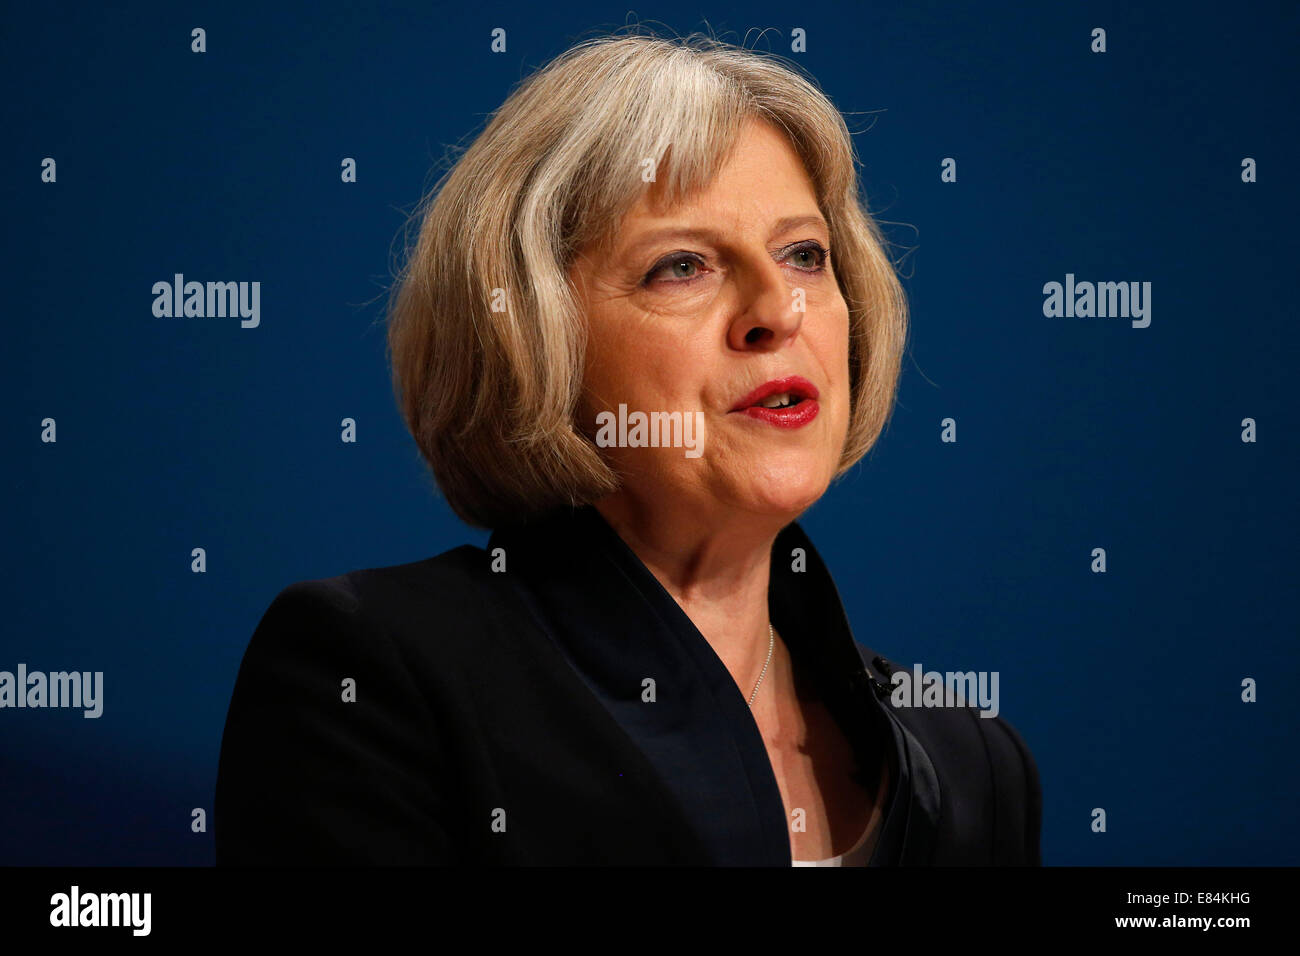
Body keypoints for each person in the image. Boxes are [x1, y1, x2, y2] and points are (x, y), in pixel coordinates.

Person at [215, 30, 1041, 866]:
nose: (779, 309)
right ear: (537, 340)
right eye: (681, 266)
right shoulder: (380, 677)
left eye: (804, 255)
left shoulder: (973, 761)